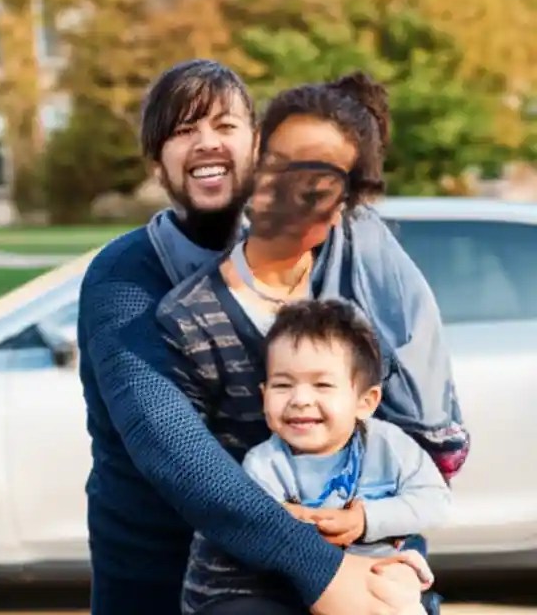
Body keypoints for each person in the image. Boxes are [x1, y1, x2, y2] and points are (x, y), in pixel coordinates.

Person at [78, 59, 403, 615]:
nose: (206, 143)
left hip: (298, 581)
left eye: (224, 126)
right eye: (183, 131)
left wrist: (394, 549)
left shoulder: (312, 254)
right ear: (158, 162)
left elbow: (385, 411)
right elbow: (176, 451)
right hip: (159, 580)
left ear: (256, 145)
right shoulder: (125, 279)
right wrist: (323, 571)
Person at [156, 72, 468, 614]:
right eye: (279, 161)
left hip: (371, 558)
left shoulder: (357, 311)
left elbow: (421, 475)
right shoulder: (189, 315)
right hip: (246, 577)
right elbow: (196, 478)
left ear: (346, 201)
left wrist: (378, 539)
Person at [212, 298, 450, 614]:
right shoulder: (265, 463)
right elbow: (255, 528)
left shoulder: (388, 446)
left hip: (384, 569)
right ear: (263, 395)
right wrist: (291, 518)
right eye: (283, 385)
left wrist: (365, 519)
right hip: (307, 585)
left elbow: (436, 502)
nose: (300, 399)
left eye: (322, 385)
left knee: (397, 585)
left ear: (365, 401)